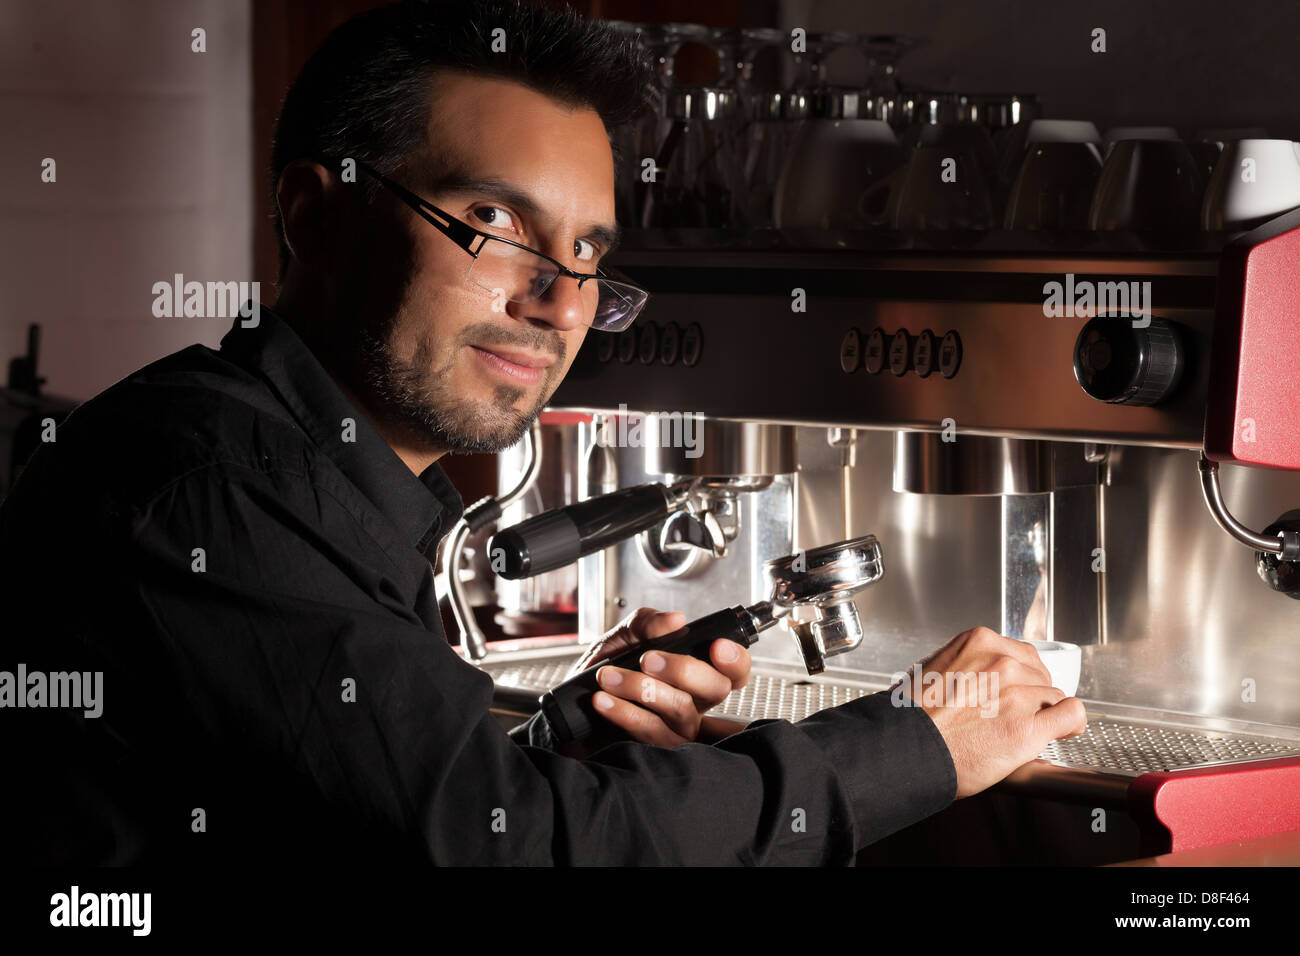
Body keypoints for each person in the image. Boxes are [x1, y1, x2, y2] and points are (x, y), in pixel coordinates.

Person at [0, 0, 1085, 865]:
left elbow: (345, 816)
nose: (559, 303)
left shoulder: (320, 479)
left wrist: (561, 741)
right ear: (313, 213)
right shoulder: (210, 483)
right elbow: (505, 844)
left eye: (587, 256)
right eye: (495, 225)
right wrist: (922, 742)